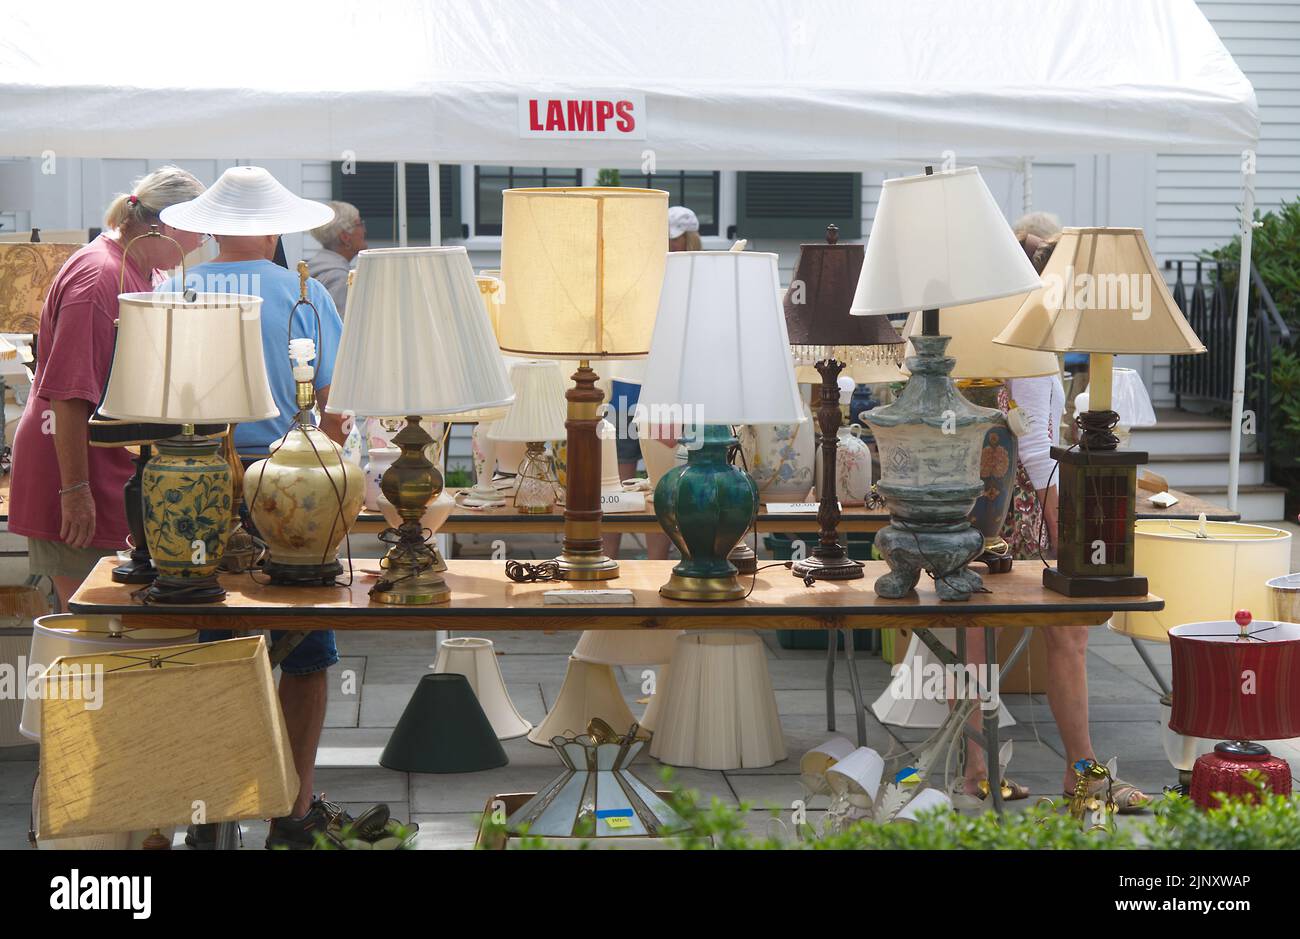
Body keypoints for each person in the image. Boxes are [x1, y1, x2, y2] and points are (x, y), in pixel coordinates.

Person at [159, 166, 354, 848]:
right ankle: (291, 810)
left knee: (217, 652)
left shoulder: (177, 289)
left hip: (197, 486)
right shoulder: (303, 290)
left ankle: (211, 814)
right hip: (289, 490)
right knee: (306, 653)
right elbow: (336, 411)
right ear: (274, 225)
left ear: (211, 227)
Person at [956, 228, 1151, 813]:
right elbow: (1039, 450)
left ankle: (977, 771)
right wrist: (1071, 527)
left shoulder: (976, 326)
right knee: (1069, 634)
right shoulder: (1036, 343)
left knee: (973, 639)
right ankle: (1082, 773)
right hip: (1024, 507)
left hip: (972, 500)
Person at [9, 167, 206, 609]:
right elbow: (69, 392)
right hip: (74, 467)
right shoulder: (99, 278)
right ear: (166, 224)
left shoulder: (140, 269)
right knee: (96, 628)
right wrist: (74, 491)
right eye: (201, 230)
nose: (202, 242)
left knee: (121, 626)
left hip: (107, 464)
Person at [308, 201, 367, 316]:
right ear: (345, 237)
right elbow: (340, 330)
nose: (364, 230)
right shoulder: (339, 278)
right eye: (360, 224)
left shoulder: (313, 268)